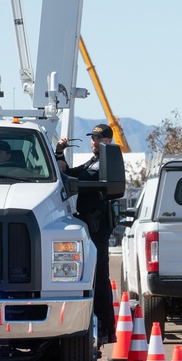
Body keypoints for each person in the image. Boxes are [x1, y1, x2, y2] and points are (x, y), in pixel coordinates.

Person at [55, 124, 117, 346]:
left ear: (109, 141)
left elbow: (76, 180)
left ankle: (105, 329)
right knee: (90, 277)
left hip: (97, 227)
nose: (94, 142)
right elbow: (68, 174)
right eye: (93, 138)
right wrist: (59, 152)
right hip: (89, 224)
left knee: (98, 277)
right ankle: (100, 328)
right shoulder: (93, 161)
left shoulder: (104, 163)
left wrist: (64, 175)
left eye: (99, 139)